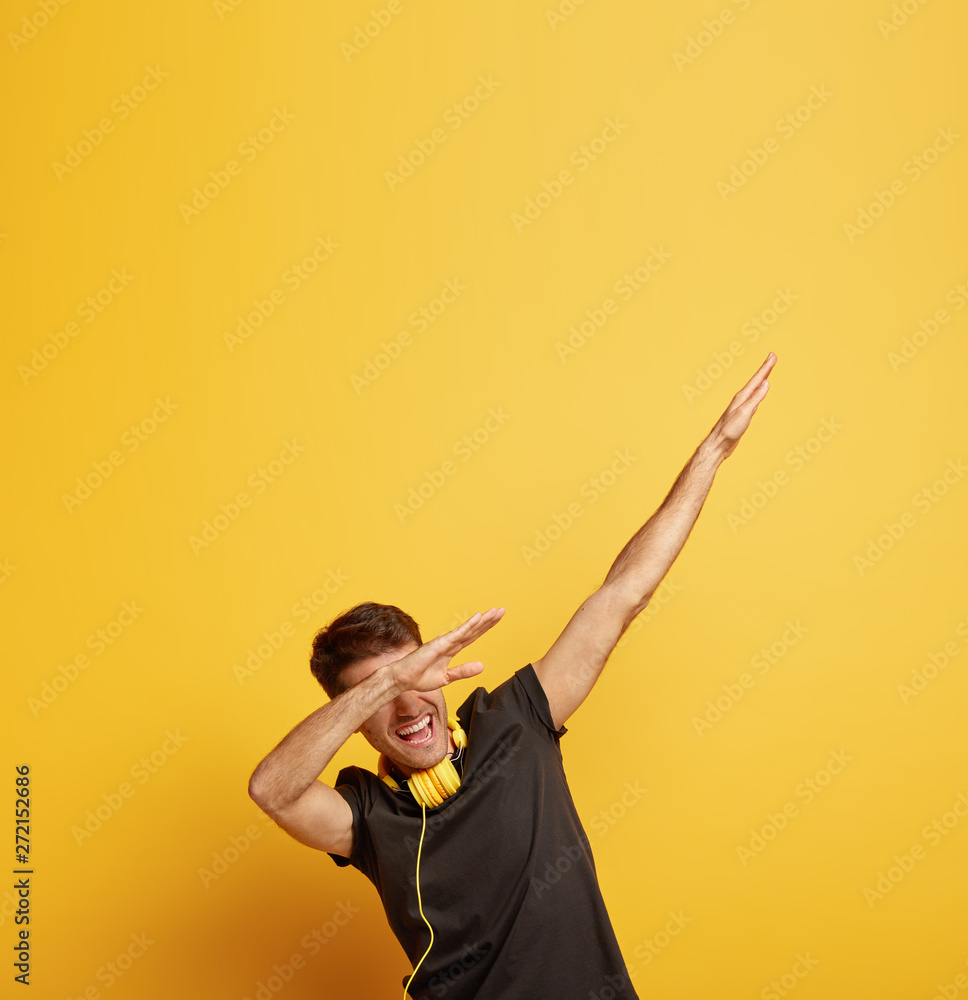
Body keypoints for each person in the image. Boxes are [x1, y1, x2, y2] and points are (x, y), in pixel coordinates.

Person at [248, 352, 777, 999]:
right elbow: (271, 790)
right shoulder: (366, 818)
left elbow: (622, 595)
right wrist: (381, 686)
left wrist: (714, 453)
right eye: (378, 694)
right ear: (356, 720)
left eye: (418, 673)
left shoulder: (517, 720)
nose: (408, 701)